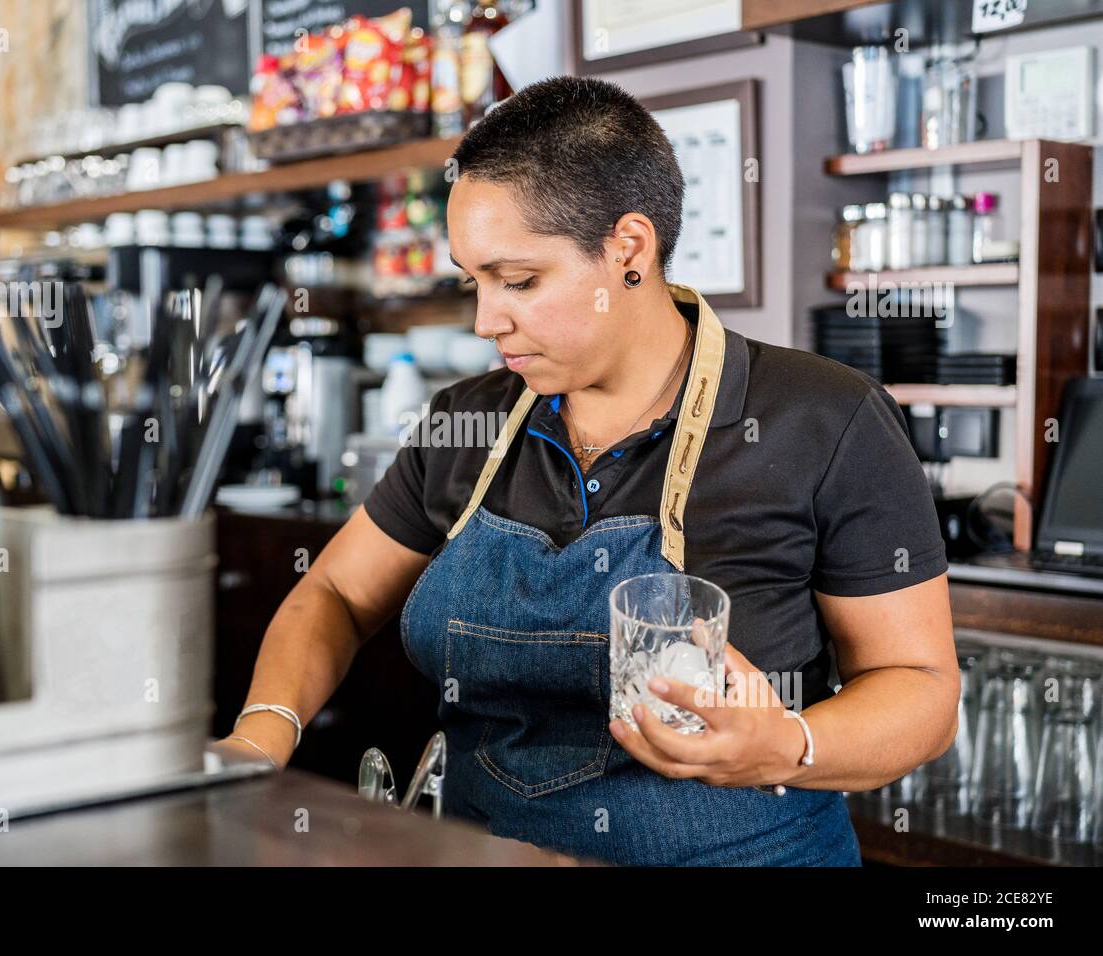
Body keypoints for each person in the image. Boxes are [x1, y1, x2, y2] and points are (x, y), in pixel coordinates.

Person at [211, 75, 958, 866]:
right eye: (474, 281)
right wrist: (262, 734)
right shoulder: (469, 420)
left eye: (519, 281)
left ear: (628, 250)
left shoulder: (825, 417)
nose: (484, 319)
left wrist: (785, 744)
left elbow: (922, 689)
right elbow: (333, 593)